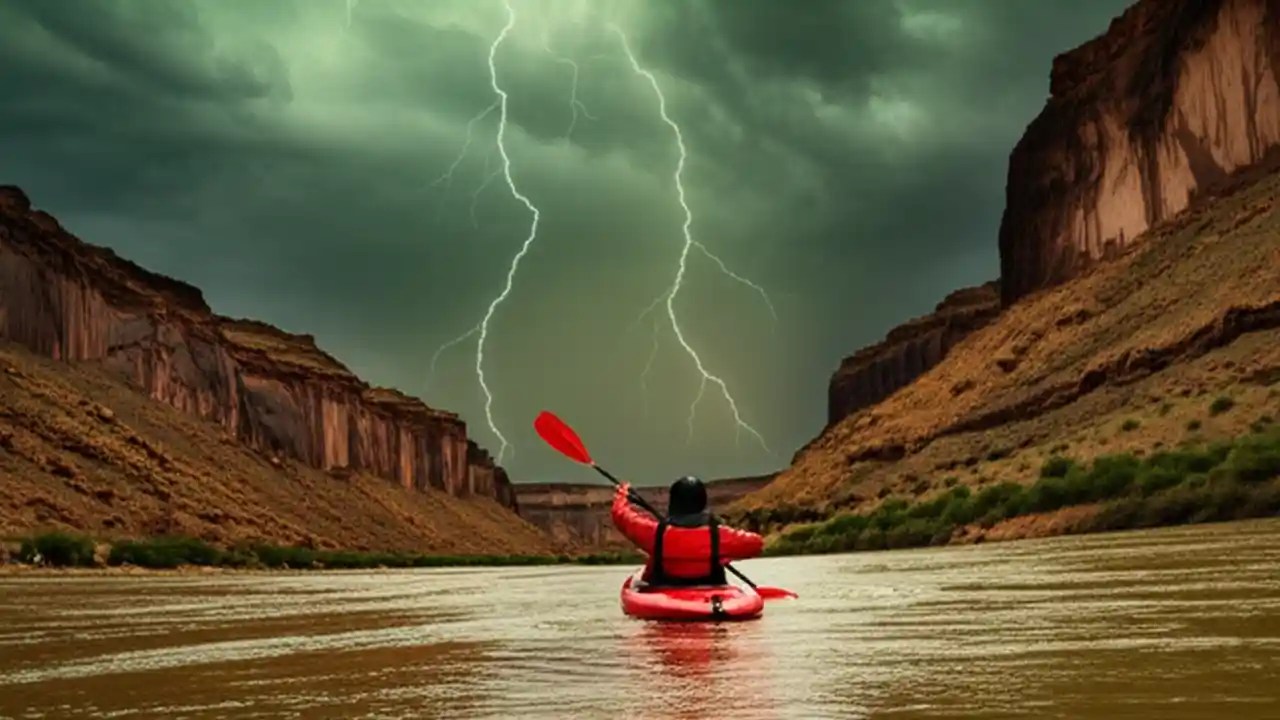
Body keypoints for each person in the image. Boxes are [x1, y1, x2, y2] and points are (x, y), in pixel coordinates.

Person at [611, 475, 764, 588]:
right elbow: (757, 543)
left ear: (673, 505)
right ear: (703, 504)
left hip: (664, 596)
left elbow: (621, 517)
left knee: (638, 581)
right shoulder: (719, 537)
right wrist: (726, 556)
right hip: (710, 596)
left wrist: (622, 496)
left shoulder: (655, 534)